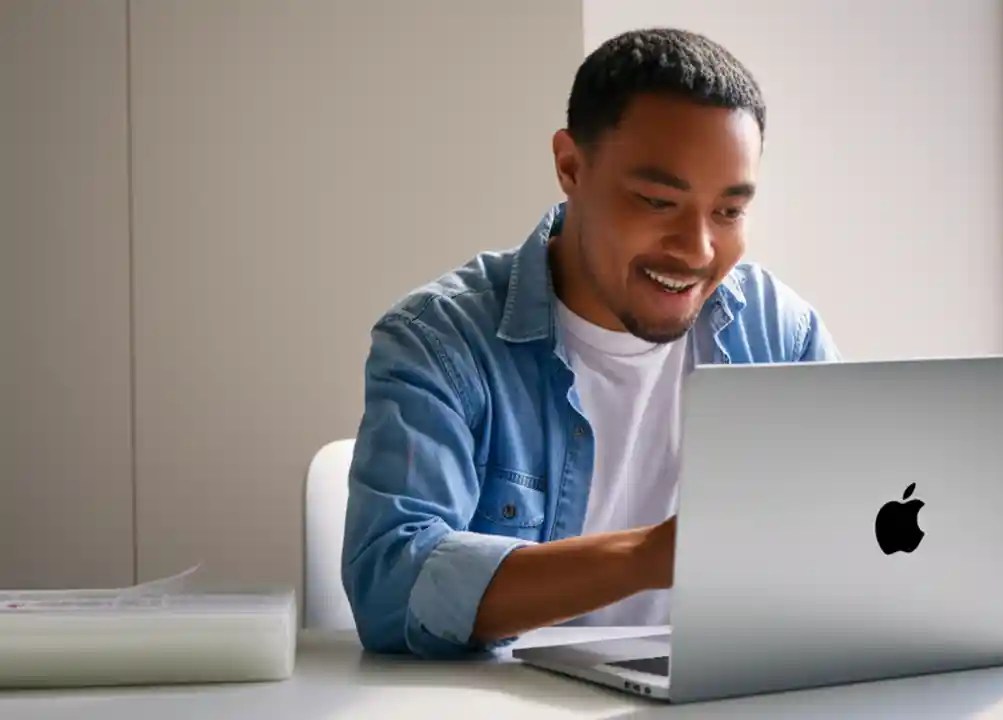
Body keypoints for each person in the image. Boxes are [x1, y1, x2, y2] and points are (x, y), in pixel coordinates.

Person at [342, 27, 840, 659]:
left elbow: (859, 531)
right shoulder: (440, 341)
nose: (698, 250)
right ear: (571, 167)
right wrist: (650, 555)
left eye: (728, 213)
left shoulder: (780, 334)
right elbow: (390, 587)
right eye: (659, 202)